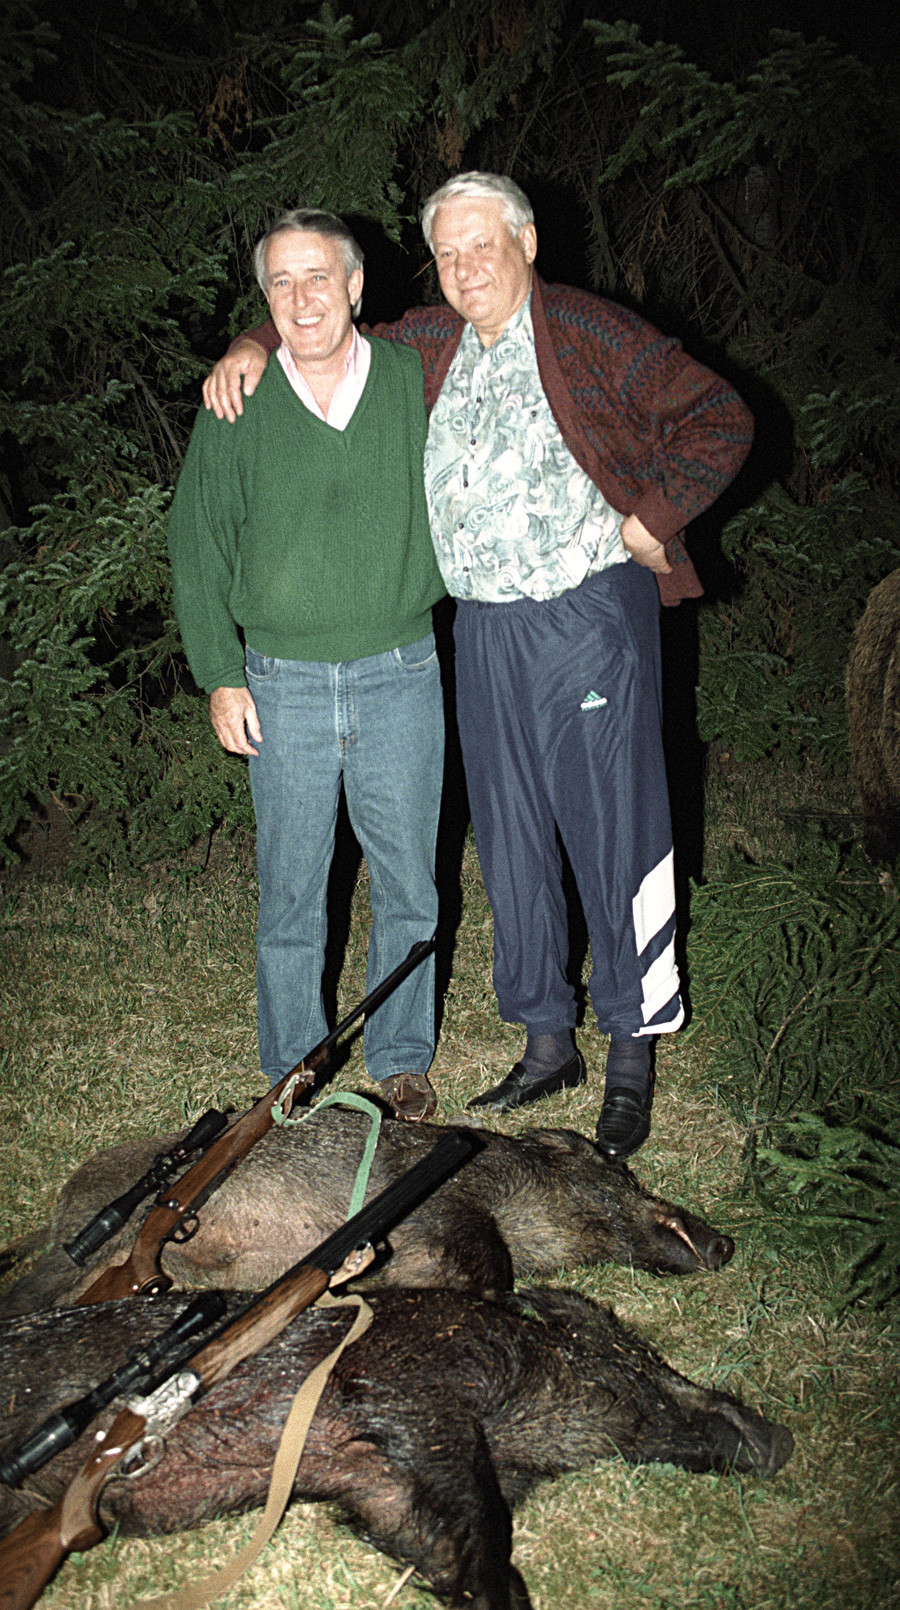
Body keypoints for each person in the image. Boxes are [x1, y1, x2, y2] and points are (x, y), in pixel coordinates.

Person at [202, 173, 754, 1160]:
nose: (463, 270)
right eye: (447, 254)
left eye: (481, 247)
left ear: (528, 240)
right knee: (510, 836)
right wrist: (250, 343)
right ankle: (548, 1036)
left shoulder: (589, 331)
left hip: (588, 615)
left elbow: (719, 418)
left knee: (617, 830)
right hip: (482, 629)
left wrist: (652, 517)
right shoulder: (434, 343)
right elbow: (325, 336)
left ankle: (631, 1049)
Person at [169, 209, 446, 1122]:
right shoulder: (235, 407)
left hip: (400, 670)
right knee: (293, 888)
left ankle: (403, 1056)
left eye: (318, 276)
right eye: (280, 283)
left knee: (408, 879)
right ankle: (294, 1064)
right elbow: (197, 545)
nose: (300, 298)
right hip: (280, 683)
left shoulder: (414, 380)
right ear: (265, 299)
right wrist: (219, 672)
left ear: (357, 286)